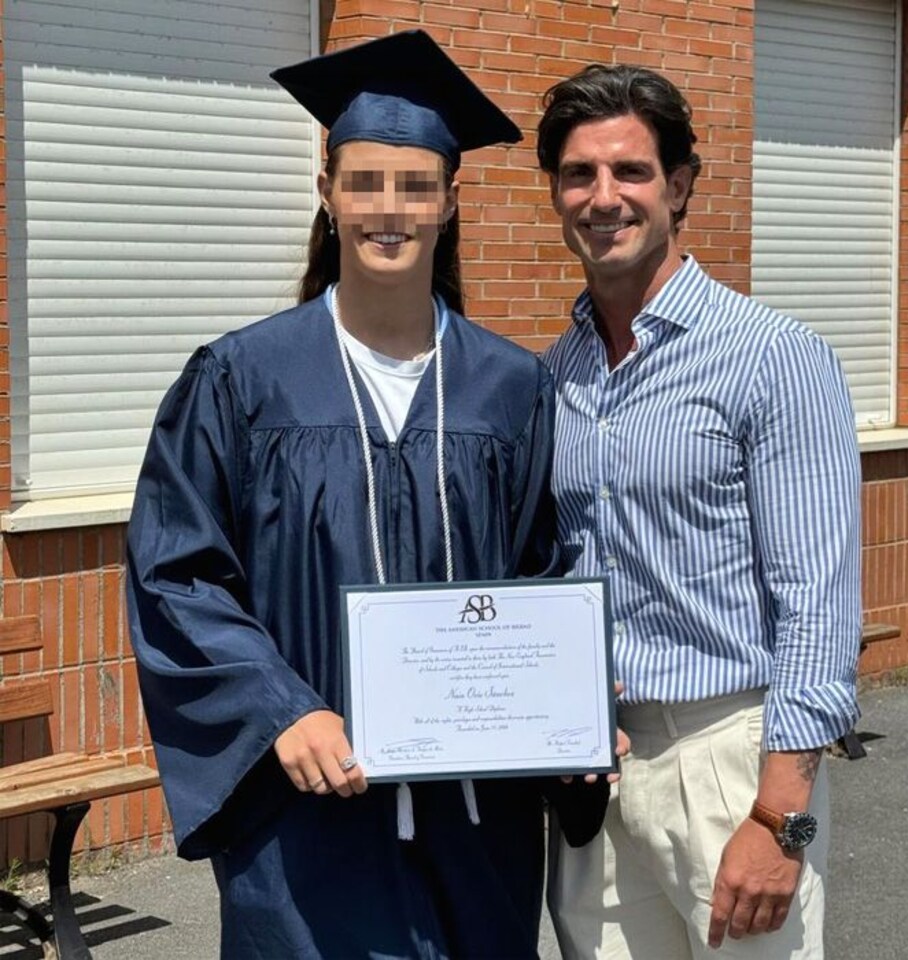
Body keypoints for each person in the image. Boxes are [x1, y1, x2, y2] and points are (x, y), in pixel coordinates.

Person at [126, 30, 609, 960]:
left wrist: (575, 701)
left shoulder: (509, 387)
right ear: (327, 195)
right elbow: (175, 575)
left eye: (416, 185)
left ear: (451, 205)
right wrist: (282, 708)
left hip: (477, 823)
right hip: (308, 819)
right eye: (364, 182)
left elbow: (545, 569)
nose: (389, 209)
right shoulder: (241, 379)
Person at [538, 64, 862, 959]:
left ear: (679, 186)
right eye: (578, 174)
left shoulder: (773, 358)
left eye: (631, 172)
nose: (604, 198)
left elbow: (817, 604)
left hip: (727, 758)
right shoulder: (554, 373)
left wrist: (782, 817)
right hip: (593, 771)